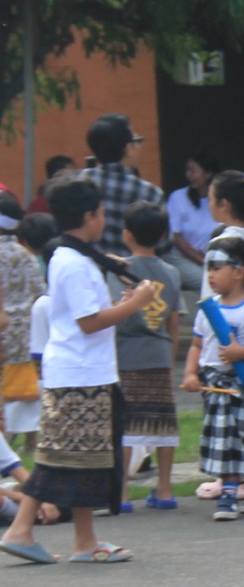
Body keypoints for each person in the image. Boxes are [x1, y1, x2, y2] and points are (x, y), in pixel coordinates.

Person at [0, 180, 156, 564]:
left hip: (81, 371)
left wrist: (123, 304)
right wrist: (136, 303)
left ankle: (83, 541)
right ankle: (25, 531)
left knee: (80, 457)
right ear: (89, 217)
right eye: (100, 212)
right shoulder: (72, 262)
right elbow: (89, 322)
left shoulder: (71, 257)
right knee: (64, 456)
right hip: (80, 374)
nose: (103, 219)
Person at [183, 237, 244, 523]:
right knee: (228, 437)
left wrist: (241, 352)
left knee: (232, 436)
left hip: (240, 385)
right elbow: (197, 345)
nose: (210, 274)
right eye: (208, 268)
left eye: (217, 267)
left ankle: (229, 491)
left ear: (238, 271)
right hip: (212, 383)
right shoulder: (208, 309)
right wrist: (190, 373)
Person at [111, 203, 182, 511]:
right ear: (163, 234)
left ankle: (123, 493)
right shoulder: (173, 273)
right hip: (159, 353)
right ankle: (165, 489)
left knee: (128, 425)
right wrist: (170, 353)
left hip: (127, 353)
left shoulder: (121, 270)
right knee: (163, 422)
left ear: (127, 234)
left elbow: (115, 311)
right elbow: (174, 323)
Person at [76, 114, 163, 255]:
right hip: (134, 274)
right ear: (128, 149)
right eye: (137, 141)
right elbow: (162, 245)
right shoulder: (150, 193)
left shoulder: (79, 182)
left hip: (91, 268)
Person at [0, 193, 45, 449]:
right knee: (27, 389)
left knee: (5, 391)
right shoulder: (25, 255)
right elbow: (40, 291)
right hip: (26, 331)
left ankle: (4, 443)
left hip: (2, 332)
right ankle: (30, 442)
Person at [162, 152, 221, 308]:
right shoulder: (178, 197)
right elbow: (176, 238)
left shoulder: (219, 200)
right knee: (209, 282)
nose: (189, 175)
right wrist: (202, 261)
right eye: (188, 170)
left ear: (208, 174)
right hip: (182, 257)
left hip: (212, 257)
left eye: (193, 171)